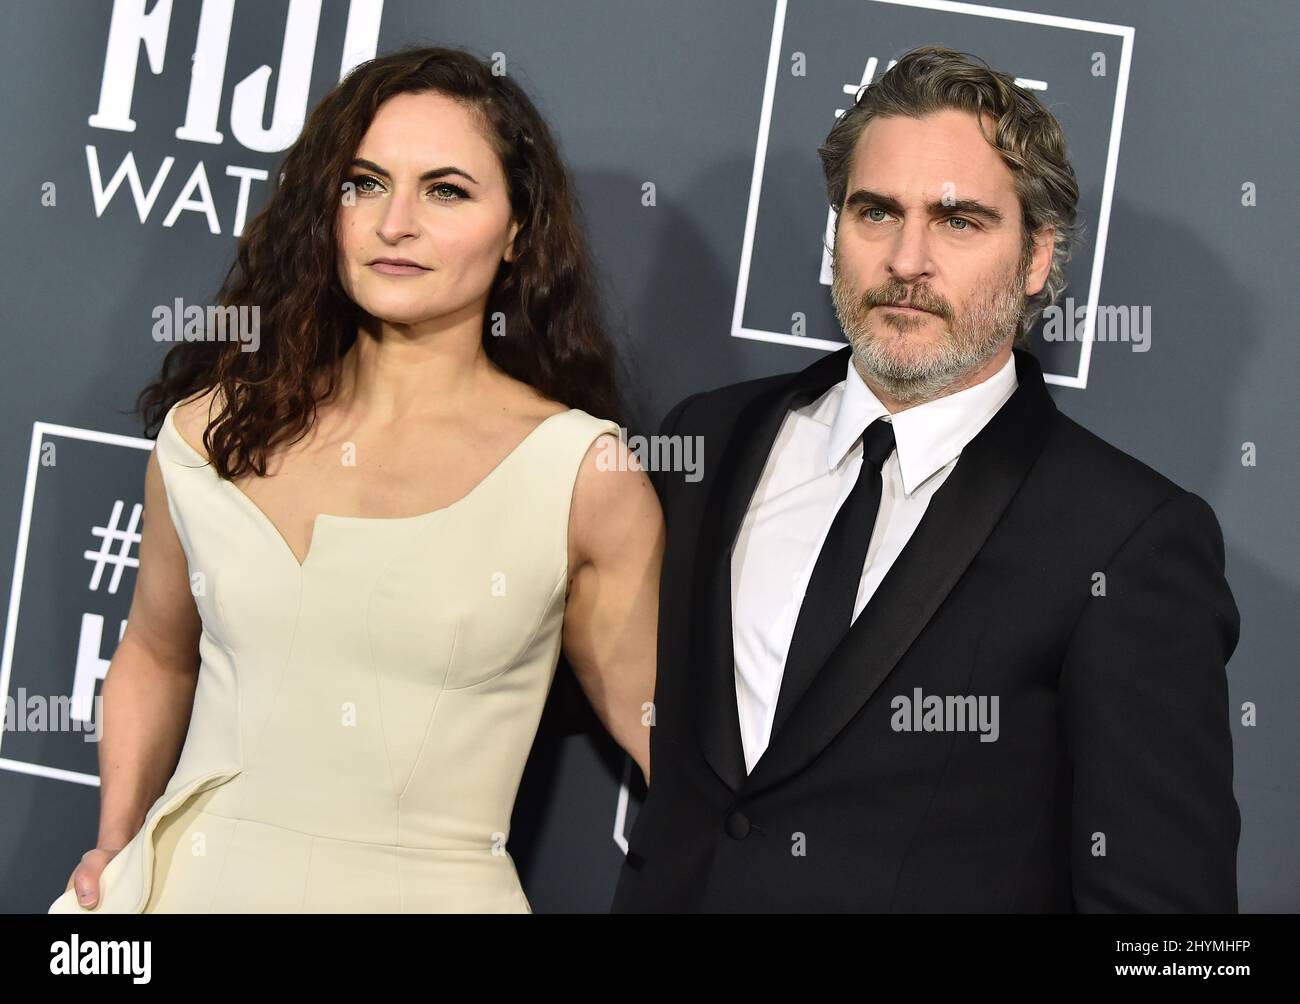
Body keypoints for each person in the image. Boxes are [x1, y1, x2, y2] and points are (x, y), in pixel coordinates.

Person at [612, 45, 1239, 912]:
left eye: (959, 221)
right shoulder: (709, 440)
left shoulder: (1126, 540)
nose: (907, 259)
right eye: (876, 212)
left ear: (1035, 259)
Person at [50, 46, 661, 914]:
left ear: (519, 229)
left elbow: (667, 743)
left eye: (446, 190)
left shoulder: (579, 476)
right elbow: (154, 651)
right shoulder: (210, 431)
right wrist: (116, 845)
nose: (394, 223)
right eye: (365, 183)